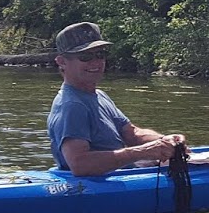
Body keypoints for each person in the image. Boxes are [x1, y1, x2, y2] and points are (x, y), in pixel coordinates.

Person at [47, 21, 186, 176]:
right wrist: (142, 152)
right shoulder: (72, 106)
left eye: (100, 54)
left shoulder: (99, 96)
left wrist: (165, 141)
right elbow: (80, 165)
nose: (96, 62)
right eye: (85, 56)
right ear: (62, 62)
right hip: (93, 190)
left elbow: (132, 134)